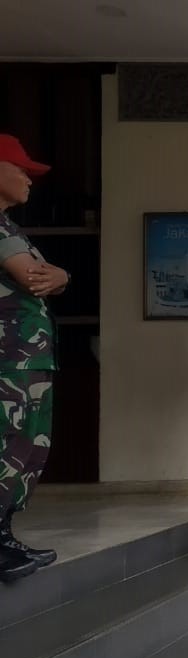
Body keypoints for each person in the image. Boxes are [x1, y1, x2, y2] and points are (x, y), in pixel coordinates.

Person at [0, 134, 64, 582]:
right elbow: (33, 277)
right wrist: (58, 275)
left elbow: (52, 281)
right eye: (21, 169)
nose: (28, 180)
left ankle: (3, 536)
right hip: (8, 361)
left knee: (25, 449)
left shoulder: (11, 229)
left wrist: (62, 274)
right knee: (7, 445)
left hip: (25, 362)